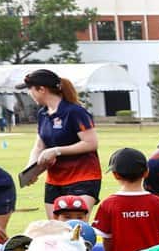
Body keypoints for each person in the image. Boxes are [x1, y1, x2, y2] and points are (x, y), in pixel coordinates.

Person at [22, 69, 101, 205]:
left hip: (82, 177)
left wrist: (56, 151)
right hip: (55, 180)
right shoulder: (43, 114)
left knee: (75, 225)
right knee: (54, 226)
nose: (29, 94)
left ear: (42, 89)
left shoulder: (75, 112)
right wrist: (30, 169)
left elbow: (90, 143)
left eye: (30, 89)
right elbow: (40, 145)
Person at [92, 147, 159, 251]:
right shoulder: (157, 202)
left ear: (115, 175)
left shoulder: (108, 204)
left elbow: (107, 241)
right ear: (146, 173)